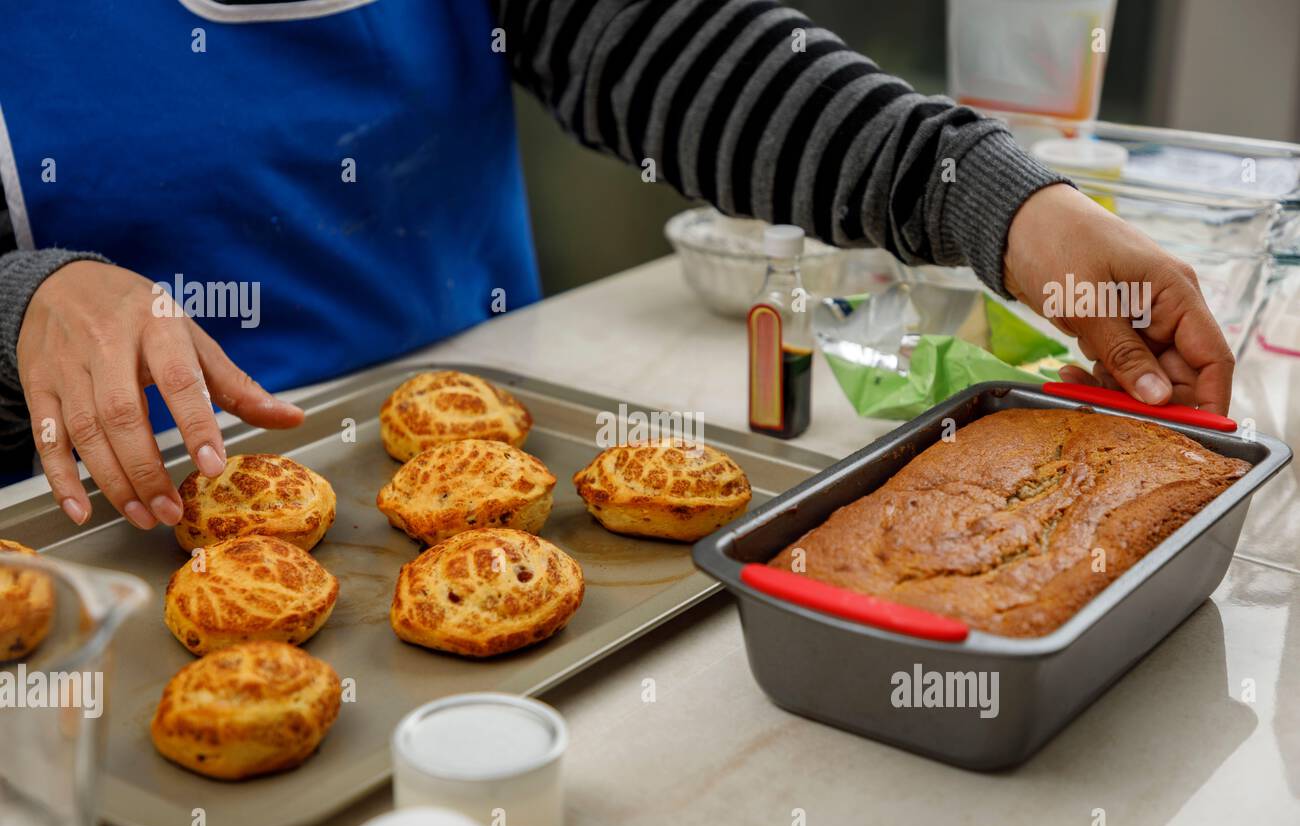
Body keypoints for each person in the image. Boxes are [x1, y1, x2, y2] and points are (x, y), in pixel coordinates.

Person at [0, 0, 1234, 529]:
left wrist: (1006, 208)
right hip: (107, 517)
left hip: (497, 449)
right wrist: (28, 297)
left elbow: (683, 49)